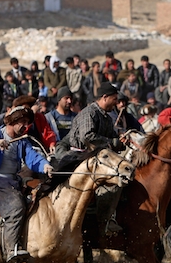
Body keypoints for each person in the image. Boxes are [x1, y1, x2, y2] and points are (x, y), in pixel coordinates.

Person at [0, 104, 52, 263]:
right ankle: (10, 249)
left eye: (27, 123)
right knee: (16, 207)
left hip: (13, 181)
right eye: (22, 122)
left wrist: (45, 165)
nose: (26, 126)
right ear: (12, 121)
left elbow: (33, 158)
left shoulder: (22, 141)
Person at [52, 83, 124, 234]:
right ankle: (103, 221)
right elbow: (87, 137)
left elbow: (112, 137)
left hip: (98, 159)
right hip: (79, 158)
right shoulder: (89, 113)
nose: (117, 103)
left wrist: (120, 142)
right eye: (114, 99)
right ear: (105, 98)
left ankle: (110, 218)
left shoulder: (107, 118)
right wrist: (111, 142)